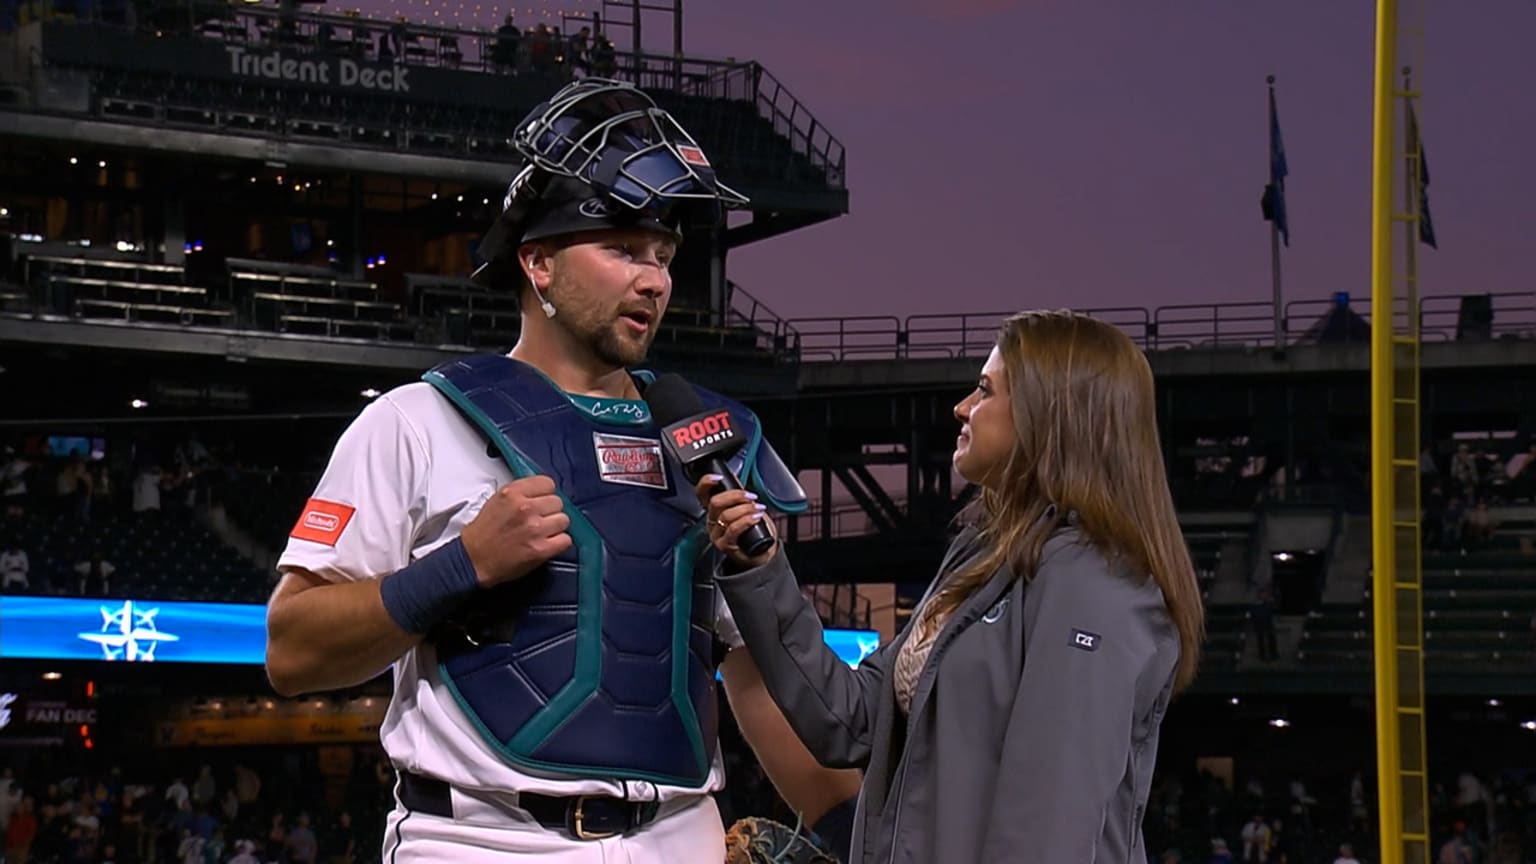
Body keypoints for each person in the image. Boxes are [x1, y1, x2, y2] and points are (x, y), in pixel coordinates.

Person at [264, 78, 808, 862]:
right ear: (539, 263)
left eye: (663, 256)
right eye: (622, 250)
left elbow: (756, 674)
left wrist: (845, 825)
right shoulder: (416, 422)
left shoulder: (717, 438)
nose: (653, 279)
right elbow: (291, 650)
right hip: (480, 839)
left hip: (679, 836)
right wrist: (460, 567)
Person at [699, 310, 1206, 862]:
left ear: (1047, 416)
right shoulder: (983, 553)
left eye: (985, 391)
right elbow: (850, 719)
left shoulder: (1095, 580)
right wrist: (763, 565)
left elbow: (1046, 833)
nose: (962, 408)